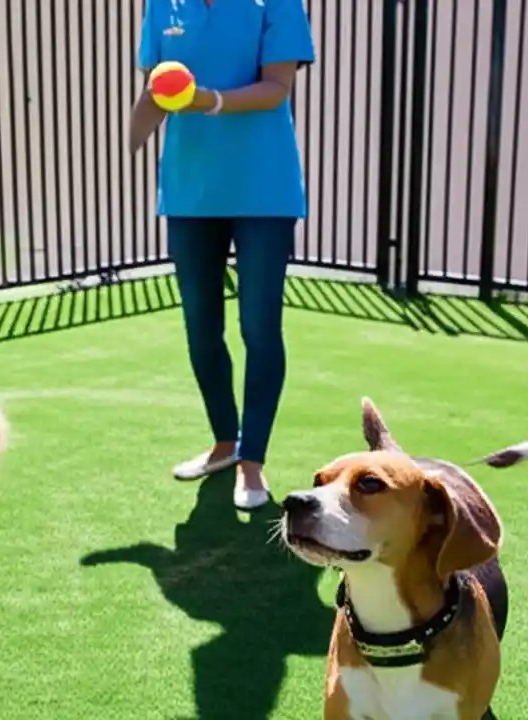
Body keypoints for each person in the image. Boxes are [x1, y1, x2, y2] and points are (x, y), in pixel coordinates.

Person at [132, 0, 314, 509]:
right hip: (189, 193)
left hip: (264, 190)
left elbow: (277, 86)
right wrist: (132, 136)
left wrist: (209, 100)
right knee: (200, 326)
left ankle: (252, 463)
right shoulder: (163, 6)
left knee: (259, 326)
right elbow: (156, 88)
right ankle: (224, 443)